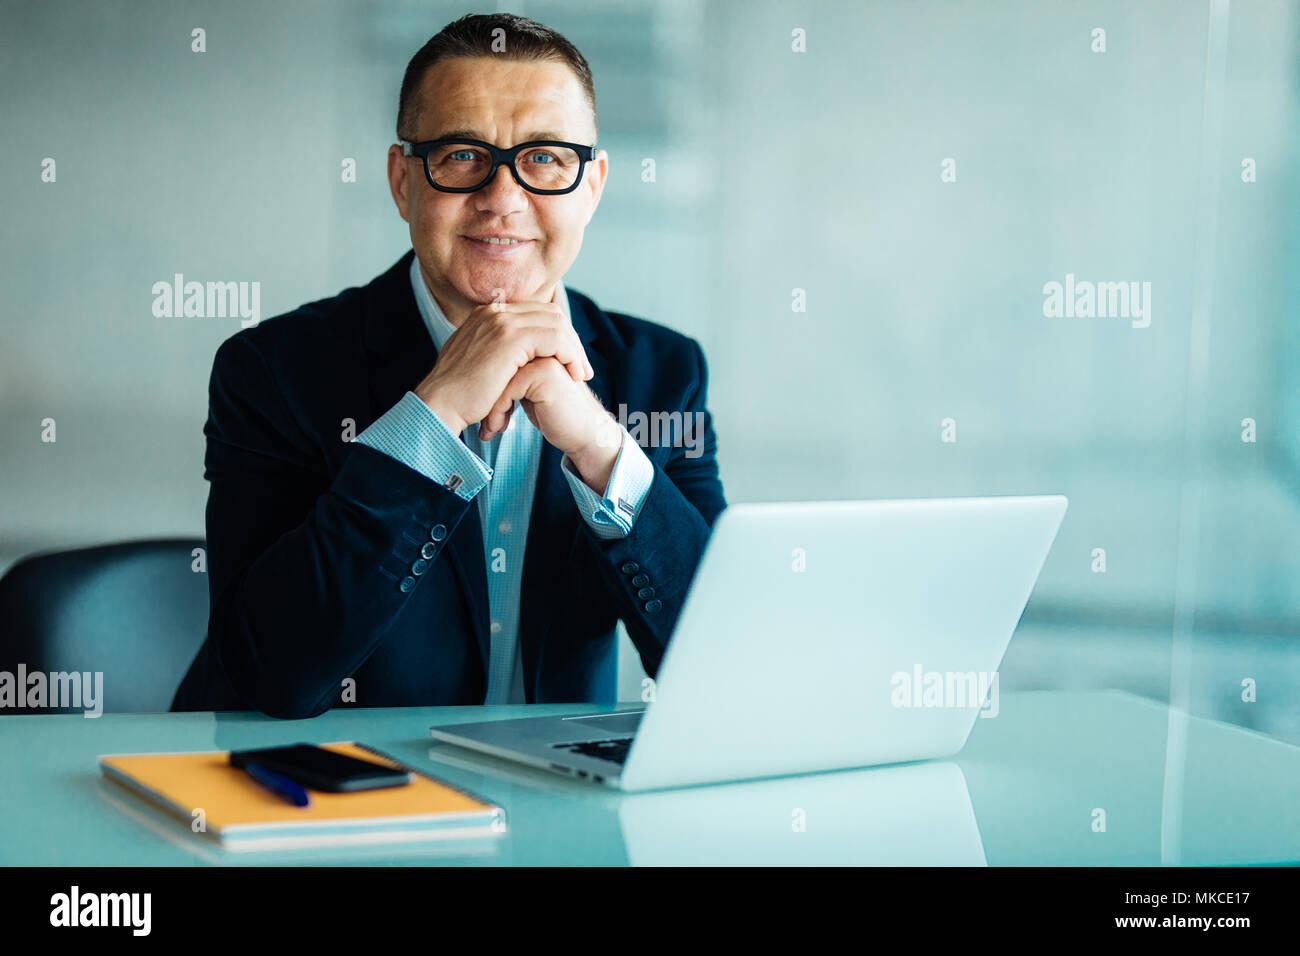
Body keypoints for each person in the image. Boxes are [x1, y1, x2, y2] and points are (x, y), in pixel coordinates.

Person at [172, 13, 726, 718]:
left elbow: (725, 663)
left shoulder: (664, 374)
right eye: (463, 155)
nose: (503, 199)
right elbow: (267, 674)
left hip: (551, 786)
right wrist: (431, 419)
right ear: (402, 181)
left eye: (546, 158)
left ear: (592, 187)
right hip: (337, 782)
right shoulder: (272, 371)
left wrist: (600, 449)